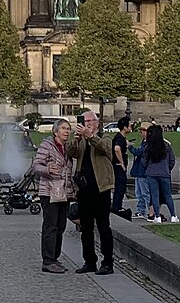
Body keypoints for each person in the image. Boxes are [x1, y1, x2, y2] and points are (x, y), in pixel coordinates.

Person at [65, 111, 116, 276]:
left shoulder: (105, 137)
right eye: (83, 121)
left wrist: (90, 136)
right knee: (85, 228)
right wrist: (76, 139)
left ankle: (107, 262)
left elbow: (105, 148)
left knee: (103, 227)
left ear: (96, 123)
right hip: (84, 190)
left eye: (88, 121)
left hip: (101, 189)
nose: (86, 124)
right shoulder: (81, 140)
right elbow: (71, 152)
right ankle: (89, 261)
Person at [31, 118, 74, 274]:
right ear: (55, 131)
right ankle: (48, 260)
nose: (67, 131)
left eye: (68, 128)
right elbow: (36, 165)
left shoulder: (67, 147)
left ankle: (55, 258)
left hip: (64, 192)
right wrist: (48, 169)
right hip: (49, 191)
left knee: (61, 226)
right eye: (63, 128)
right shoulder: (47, 146)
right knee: (50, 226)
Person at [138, 124, 178, 223]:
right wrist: (168, 169)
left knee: (154, 195)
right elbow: (172, 160)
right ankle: (173, 215)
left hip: (151, 173)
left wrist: (148, 168)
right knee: (168, 195)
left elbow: (144, 161)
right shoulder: (166, 146)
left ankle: (157, 216)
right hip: (164, 173)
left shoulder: (148, 146)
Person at [110, 122, 132, 216]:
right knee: (120, 187)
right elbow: (117, 148)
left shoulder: (121, 138)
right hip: (118, 166)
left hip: (118, 165)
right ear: (124, 127)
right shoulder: (119, 138)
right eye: (129, 125)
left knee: (120, 187)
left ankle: (117, 205)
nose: (131, 127)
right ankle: (117, 207)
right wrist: (121, 162)